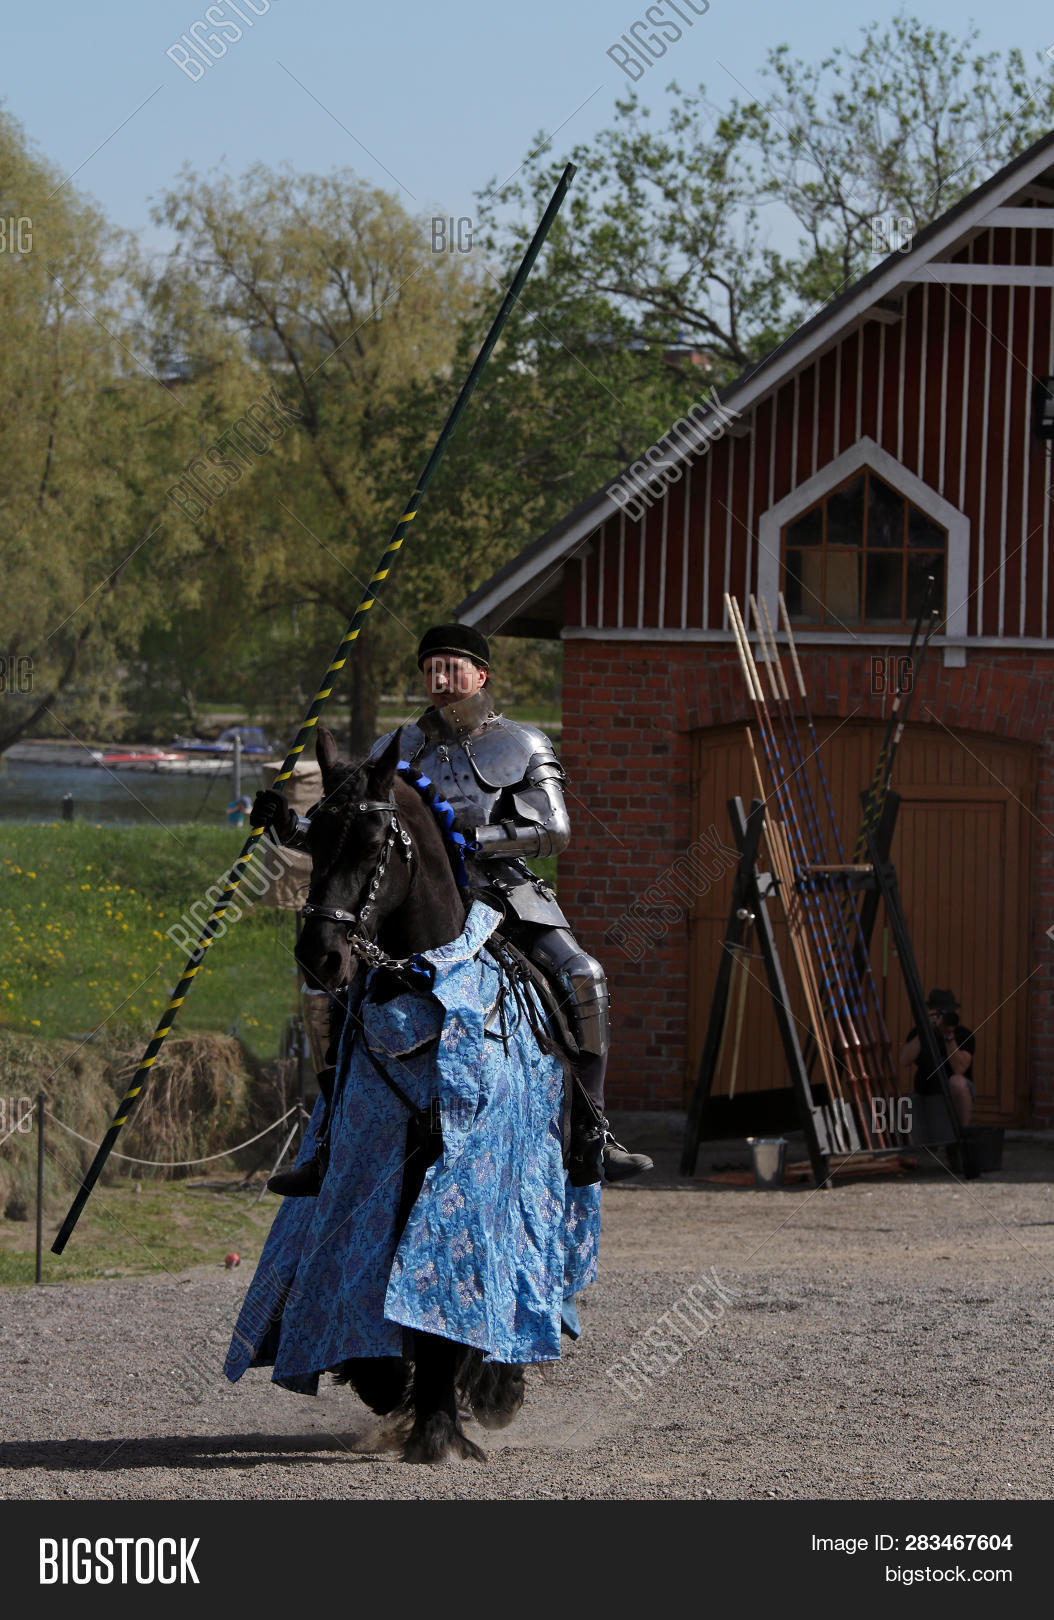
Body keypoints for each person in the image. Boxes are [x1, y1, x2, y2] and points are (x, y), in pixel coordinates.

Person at [256, 622, 652, 1197]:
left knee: (582, 974)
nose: (439, 680)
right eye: (430, 669)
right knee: (327, 986)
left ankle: (592, 1132)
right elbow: (348, 837)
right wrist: (287, 827)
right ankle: (325, 1145)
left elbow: (555, 829)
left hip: (501, 891)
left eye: (452, 667)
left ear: (481, 674)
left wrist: (474, 837)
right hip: (405, 899)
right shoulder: (395, 748)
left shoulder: (522, 743)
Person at [899, 987, 978, 1175]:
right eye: (937, 1012)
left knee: (958, 1082)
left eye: (946, 1012)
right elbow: (904, 1060)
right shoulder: (917, 1032)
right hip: (925, 1094)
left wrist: (948, 1036)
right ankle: (924, 1145)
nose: (942, 1017)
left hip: (953, 1093)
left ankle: (961, 1138)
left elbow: (960, 1068)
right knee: (904, 1108)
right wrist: (924, 1029)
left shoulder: (963, 1034)